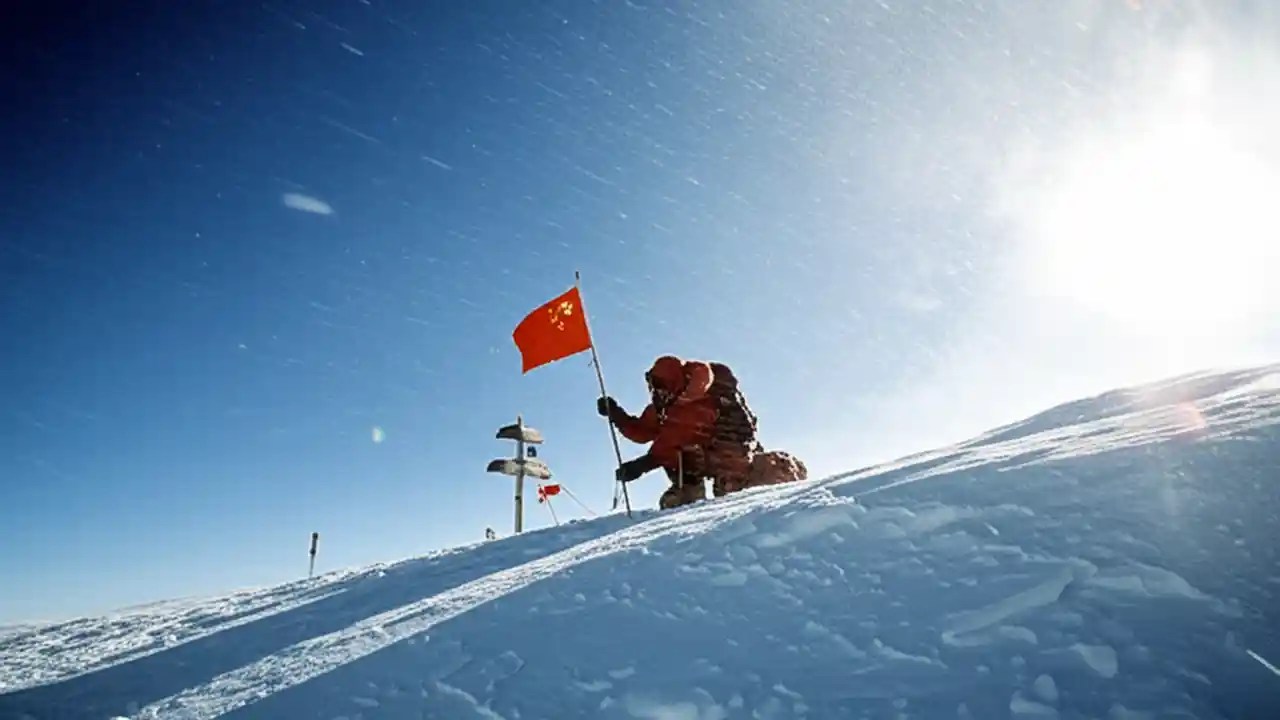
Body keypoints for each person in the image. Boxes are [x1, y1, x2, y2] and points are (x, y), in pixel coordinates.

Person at [598, 355, 808, 510]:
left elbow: (673, 439)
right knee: (677, 501)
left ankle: (781, 475)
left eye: (660, 386)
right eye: (653, 386)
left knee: (736, 502)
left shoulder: (701, 400)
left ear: (674, 383)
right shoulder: (664, 406)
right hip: (701, 460)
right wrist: (617, 415)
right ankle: (689, 491)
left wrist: (643, 465)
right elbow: (643, 433)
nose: (656, 391)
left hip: (730, 456)